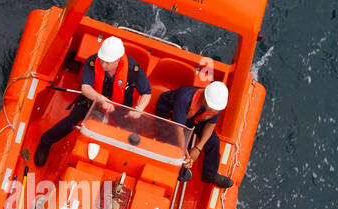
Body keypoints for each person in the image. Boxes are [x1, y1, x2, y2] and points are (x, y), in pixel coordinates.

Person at [34, 35, 151, 167]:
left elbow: (146, 92)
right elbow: (85, 88)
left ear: (118, 60)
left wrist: (139, 109)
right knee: (70, 122)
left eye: (107, 62)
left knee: (124, 135)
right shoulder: (92, 62)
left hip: (119, 108)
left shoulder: (133, 69)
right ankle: (46, 141)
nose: (102, 64)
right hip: (91, 101)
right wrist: (100, 99)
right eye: (102, 60)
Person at [155, 79, 234, 189]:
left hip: (192, 116)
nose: (214, 111)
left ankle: (209, 175)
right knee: (169, 139)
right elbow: (178, 128)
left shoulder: (216, 104)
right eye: (213, 108)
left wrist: (198, 148)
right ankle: (173, 168)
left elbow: (210, 125)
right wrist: (184, 152)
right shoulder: (184, 99)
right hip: (170, 111)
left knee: (213, 141)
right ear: (205, 100)